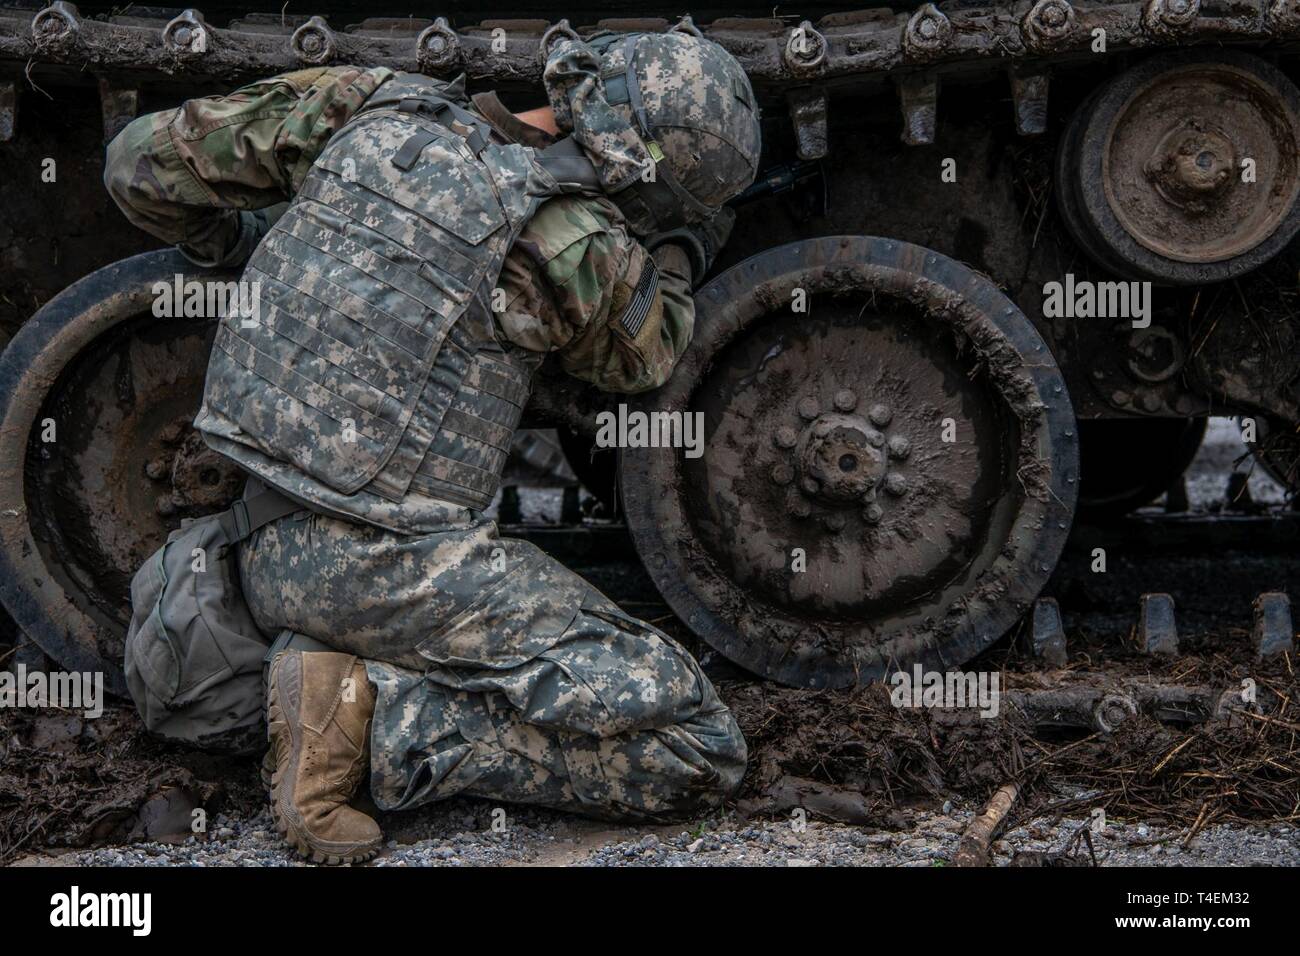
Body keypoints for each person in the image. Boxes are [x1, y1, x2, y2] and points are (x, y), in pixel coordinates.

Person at [104, 30, 762, 864]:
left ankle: (319, 667)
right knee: (699, 745)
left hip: (235, 538)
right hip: (386, 571)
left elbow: (137, 163)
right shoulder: (573, 242)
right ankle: (375, 717)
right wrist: (676, 251)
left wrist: (245, 248)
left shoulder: (375, 100)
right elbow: (647, 352)